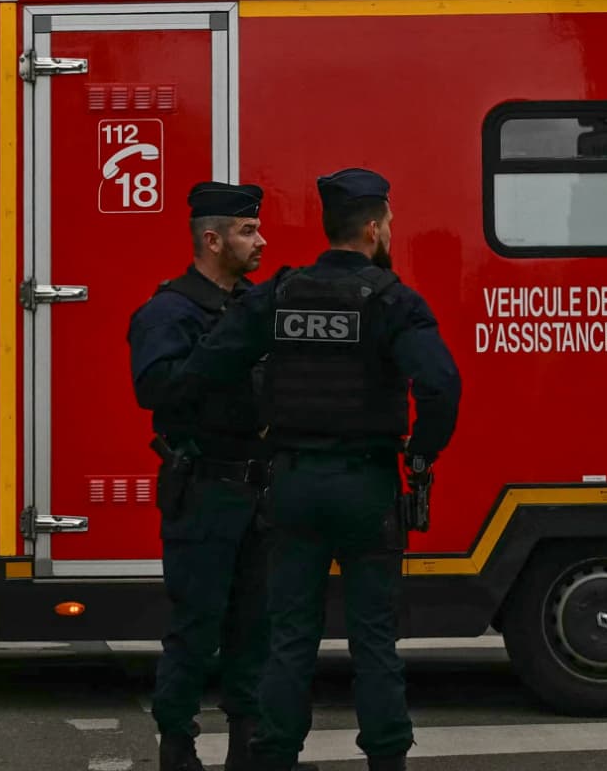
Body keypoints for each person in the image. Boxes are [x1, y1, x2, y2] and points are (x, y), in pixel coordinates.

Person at [173, 168, 460, 771]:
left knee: (289, 639)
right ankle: (386, 759)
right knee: (374, 641)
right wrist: (422, 452)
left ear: (330, 228)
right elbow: (439, 386)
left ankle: (273, 755)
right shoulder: (392, 300)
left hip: (292, 484)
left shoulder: (279, 293)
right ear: (375, 228)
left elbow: (206, 366)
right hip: (366, 484)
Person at [128, 182, 271, 771]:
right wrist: (231, 347)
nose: (260, 241)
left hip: (262, 492)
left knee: (254, 632)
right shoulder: (168, 311)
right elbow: (156, 388)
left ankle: (248, 746)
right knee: (195, 627)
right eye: (246, 231)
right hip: (205, 490)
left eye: (257, 229)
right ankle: (177, 747)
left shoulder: (258, 305)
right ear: (212, 240)